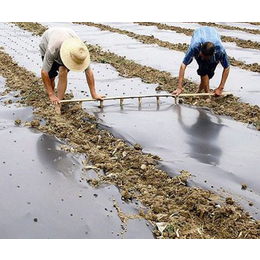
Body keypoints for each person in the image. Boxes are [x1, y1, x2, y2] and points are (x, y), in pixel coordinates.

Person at [39, 27, 103, 112]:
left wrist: (94, 93)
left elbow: (88, 72)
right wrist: (51, 94)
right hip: (48, 43)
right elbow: (44, 72)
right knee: (51, 76)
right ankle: (52, 94)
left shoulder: (81, 51)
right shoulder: (52, 49)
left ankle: (59, 103)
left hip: (66, 40)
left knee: (63, 71)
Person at [173, 26, 230, 97]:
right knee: (203, 70)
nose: (202, 58)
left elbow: (227, 67)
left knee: (210, 74)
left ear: (212, 54)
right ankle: (207, 95)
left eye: (205, 57)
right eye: (201, 56)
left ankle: (199, 90)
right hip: (199, 33)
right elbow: (183, 65)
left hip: (213, 33)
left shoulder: (220, 51)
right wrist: (179, 88)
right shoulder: (195, 46)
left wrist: (220, 88)